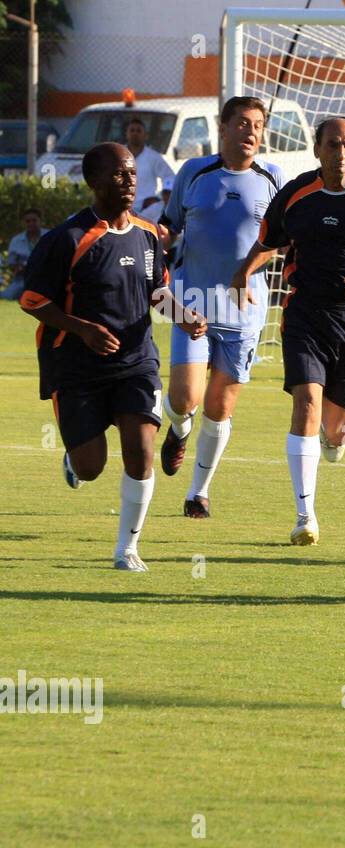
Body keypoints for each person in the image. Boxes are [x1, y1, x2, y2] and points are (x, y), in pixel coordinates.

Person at [19, 142, 205, 571]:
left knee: (140, 450)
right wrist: (82, 329)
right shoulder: (66, 239)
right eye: (119, 174)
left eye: (132, 173)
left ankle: (127, 548)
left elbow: (156, 290)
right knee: (91, 467)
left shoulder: (148, 234)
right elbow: (31, 300)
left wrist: (184, 316)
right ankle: (73, 455)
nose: (129, 181)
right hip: (76, 367)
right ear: (94, 181)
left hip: (136, 362)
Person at [231, 116, 345, 546]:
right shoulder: (296, 194)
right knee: (305, 403)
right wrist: (243, 273)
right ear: (317, 150)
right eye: (332, 145)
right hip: (305, 313)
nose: (341, 154)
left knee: (337, 432)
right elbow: (269, 241)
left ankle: (335, 438)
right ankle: (305, 515)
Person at [156, 96, 285, 519]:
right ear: (223, 127)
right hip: (193, 302)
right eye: (244, 123)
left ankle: (198, 492)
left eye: (259, 125)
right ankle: (177, 429)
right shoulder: (194, 172)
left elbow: (279, 241)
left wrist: (248, 269)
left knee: (219, 407)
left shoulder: (273, 178)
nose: (252, 132)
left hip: (244, 310)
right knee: (185, 397)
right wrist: (151, 241)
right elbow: (169, 227)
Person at [122, 117, 174, 216]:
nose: (135, 133)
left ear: (146, 135)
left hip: (146, 207)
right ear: (127, 134)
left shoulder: (153, 157)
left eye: (139, 131)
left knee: (159, 208)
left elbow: (169, 176)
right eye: (132, 130)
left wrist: (166, 191)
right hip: (122, 205)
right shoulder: (119, 154)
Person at [2, 208, 46, 300]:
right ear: (23, 223)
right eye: (28, 221)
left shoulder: (50, 236)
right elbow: (11, 263)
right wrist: (19, 267)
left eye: (34, 220)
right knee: (8, 296)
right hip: (22, 280)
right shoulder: (16, 240)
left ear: (40, 221)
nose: (31, 223)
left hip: (46, 279)